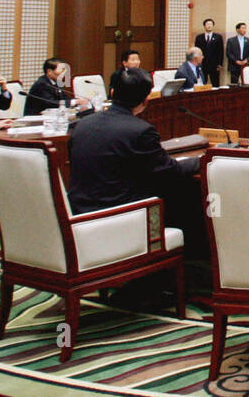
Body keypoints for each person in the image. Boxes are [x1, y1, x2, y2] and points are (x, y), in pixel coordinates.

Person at [67, 67, 204, 256]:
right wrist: (203, 161)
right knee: (188, 195)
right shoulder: (140, 131)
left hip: (79, 214)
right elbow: (169, 172)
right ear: (146, 100)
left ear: (112, 93)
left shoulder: (82, 125)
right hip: (120, 217)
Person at [25, 58, 91, 116]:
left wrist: (79, 101)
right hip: (36, 118)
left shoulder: (56, 82)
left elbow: (63, 98)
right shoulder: (41, 84)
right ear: (49, 72)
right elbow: (51, 103)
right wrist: (75, 102)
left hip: (52, 117)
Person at [194, 19, 224, 87]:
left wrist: (220, 64)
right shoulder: (199, 37)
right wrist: (197, 63)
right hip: (202, 64)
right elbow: (196, 51)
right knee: (202, 83)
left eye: (211, 24)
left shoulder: (218, 37)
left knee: (215, 83)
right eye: (207, 24)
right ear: (204, 26)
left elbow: (221, 51)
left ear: (213, 25)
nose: (209, 26)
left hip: (214, 65)